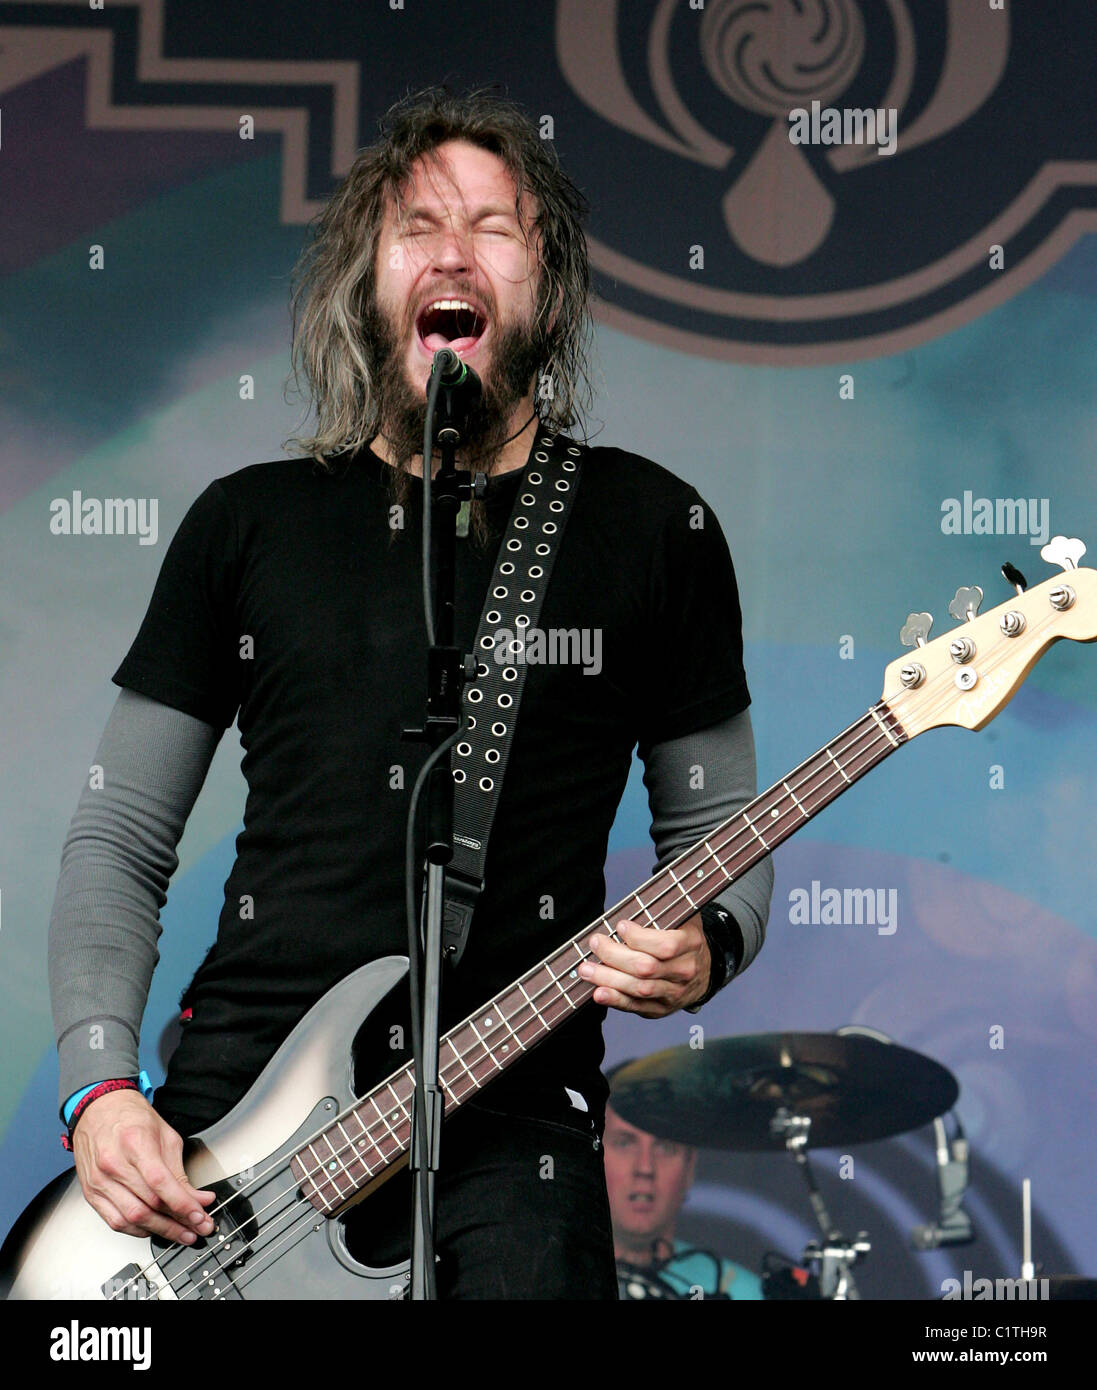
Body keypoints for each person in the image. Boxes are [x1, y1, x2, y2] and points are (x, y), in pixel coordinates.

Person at [47, 86, 773, 1299]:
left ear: (546, 283)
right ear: (367, 279)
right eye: (418, 226)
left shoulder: (654, 527)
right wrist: (102, 1089)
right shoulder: (250, 524)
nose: (453, 251)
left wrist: (710, 945)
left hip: (515, 1126)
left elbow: (723, 834)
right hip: (236, 1135)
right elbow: (120, 834)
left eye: (496, 227)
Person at [603, 1094, 763, 1300]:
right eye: (624, 1143)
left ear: (690, 1168)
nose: (645, 1167)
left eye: (665, 1147)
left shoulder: (745, 1293)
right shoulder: (550, 1278)